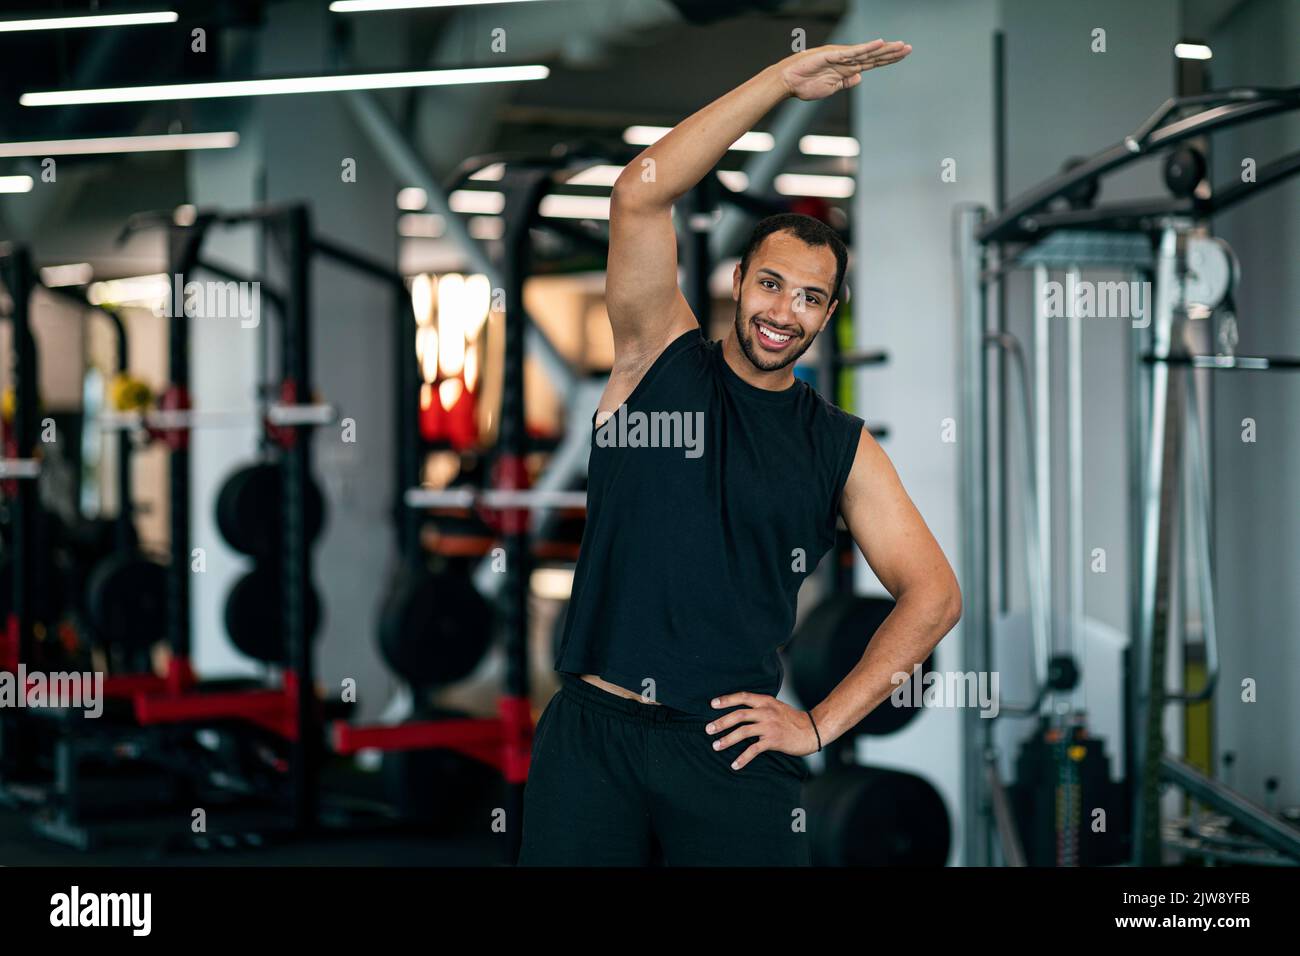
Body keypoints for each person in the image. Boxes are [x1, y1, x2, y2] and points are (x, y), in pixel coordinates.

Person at [518, 38, 959, 867]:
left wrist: (819, 723)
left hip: (730, 749)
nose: (784, 311)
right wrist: (780, 82)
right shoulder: (655, 358)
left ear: (827, 317)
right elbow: (638, 195)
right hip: (592, 738)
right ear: (736, 281)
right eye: (771, 283)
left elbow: (932, 595)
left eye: (811, 298)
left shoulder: (839, 445)